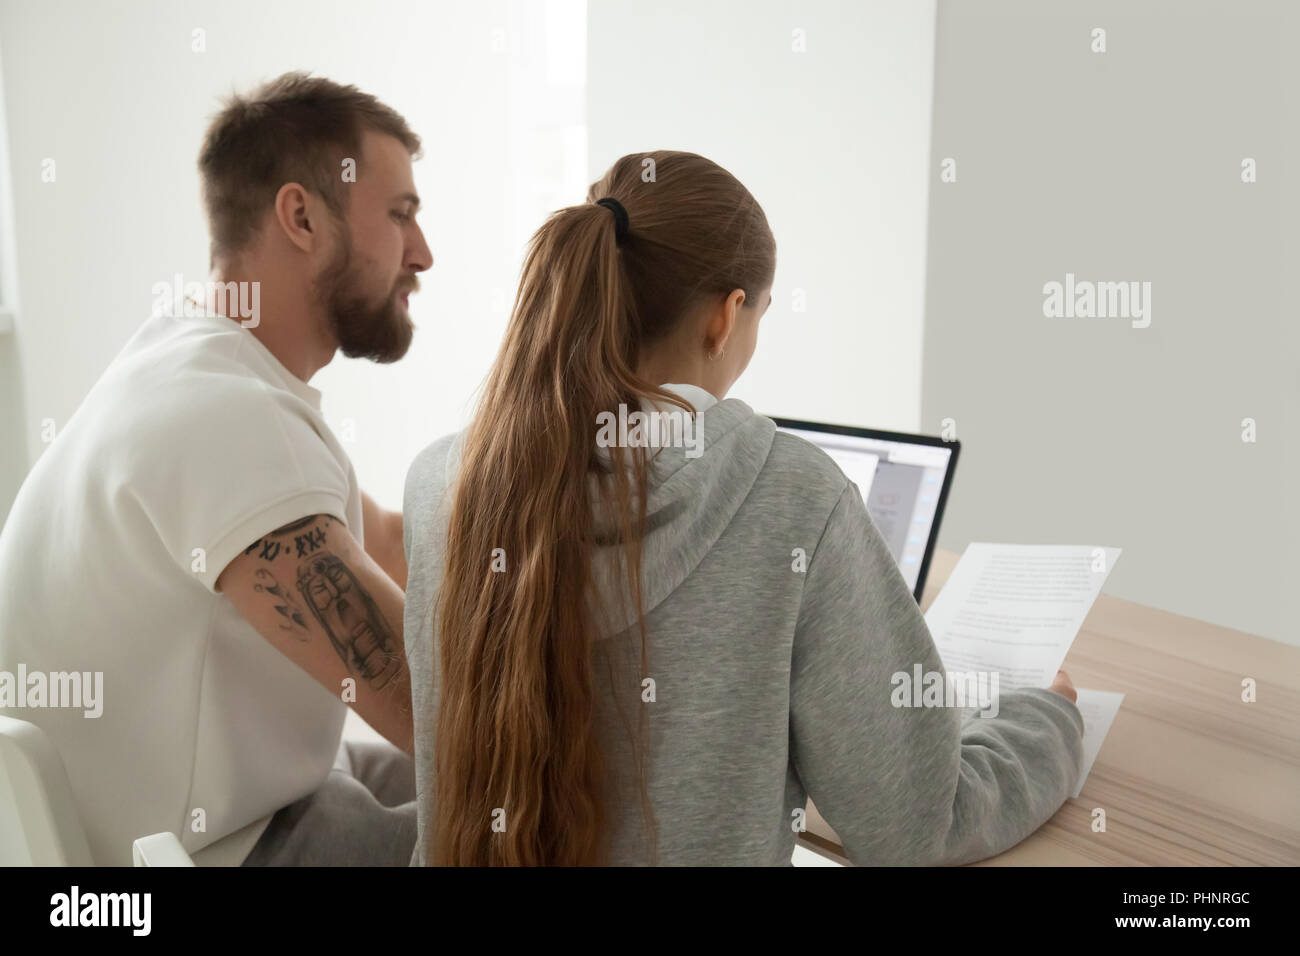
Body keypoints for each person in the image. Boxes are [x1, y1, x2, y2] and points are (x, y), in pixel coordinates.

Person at [401, 150, 1085, 866]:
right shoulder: (792, 501)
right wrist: (1047, 721)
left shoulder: (438, 485)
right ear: (726, 318)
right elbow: (915, 826)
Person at [0, 72, 430, 866]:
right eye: (401, 215)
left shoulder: (193, 369)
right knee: (556, 811)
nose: (423, 254)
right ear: (301, 215)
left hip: (221, 814)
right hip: (210, 855)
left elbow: (394, 548)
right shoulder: (231, 420)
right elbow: (431, 704)